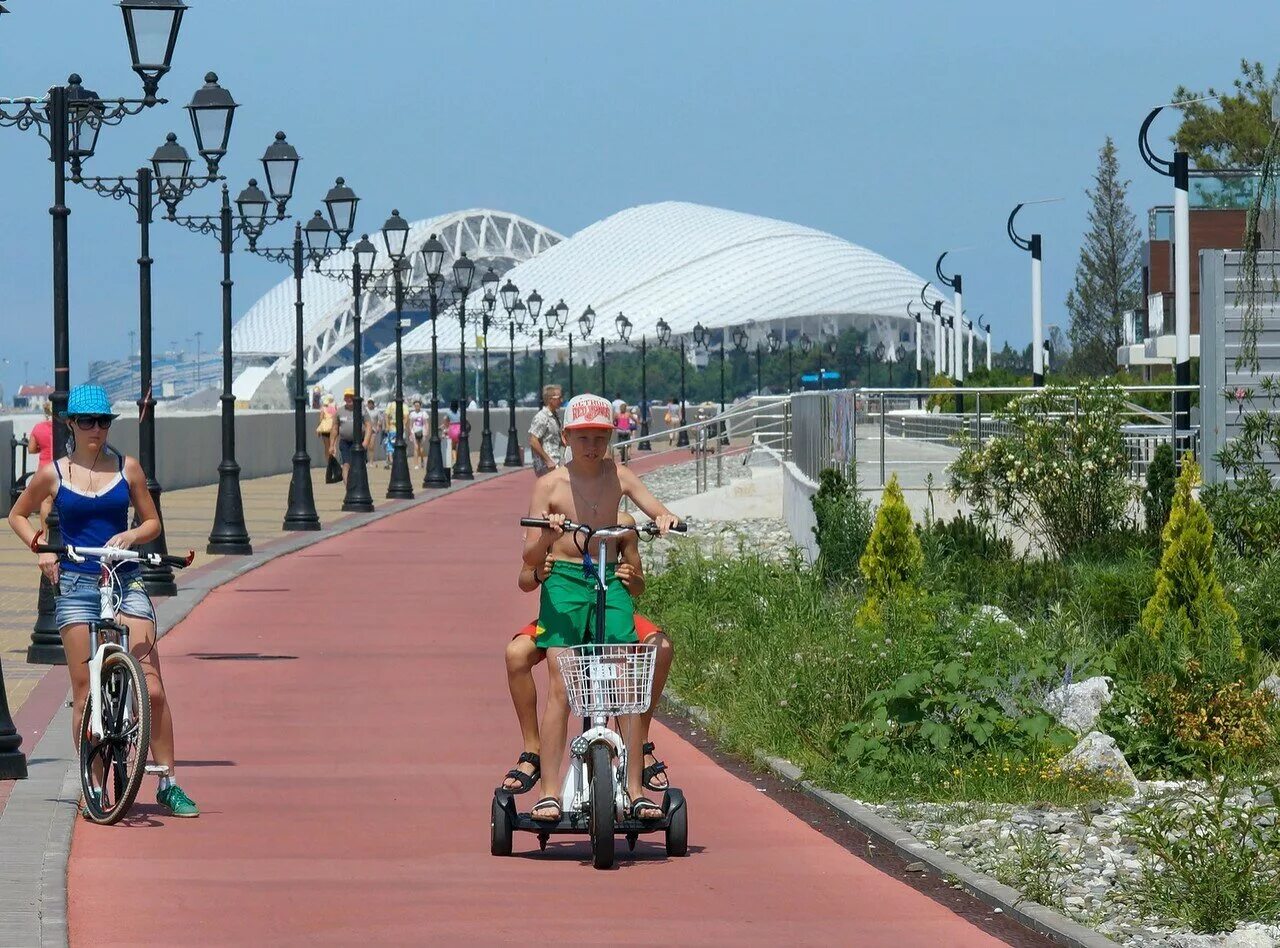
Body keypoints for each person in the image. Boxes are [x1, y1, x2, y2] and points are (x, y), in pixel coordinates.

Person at [6, 384, 199, 818]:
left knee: (151, 687)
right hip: (77, 583)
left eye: (104, 421)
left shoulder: (127, 469)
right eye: (88, 421)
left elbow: (151, 521)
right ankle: (92, 782)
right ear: (71, 424)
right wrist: (41, 550)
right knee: (83, 692)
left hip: (125, 578)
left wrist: (131, 535)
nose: (97, 430)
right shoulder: (53, 474)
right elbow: (18, 513)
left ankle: (168, 781)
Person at [522, 393, 679, 823]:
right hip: (565, 585)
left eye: (600, 438)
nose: (592, 446)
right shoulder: (549, 485)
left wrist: (664, 518)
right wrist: (545, 532)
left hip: (607, 578)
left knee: (628, 675)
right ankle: (550, 792)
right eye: (584, 437)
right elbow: (532, 561)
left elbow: (654, 507)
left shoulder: (619, 474)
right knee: (560, 677)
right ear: (568, 438)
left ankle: (633, 789)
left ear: (610, 438)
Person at [499, 510, 673, 796]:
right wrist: (538, 573)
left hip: (609, 611)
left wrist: (632, 579)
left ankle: (639, 742)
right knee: (516, 654)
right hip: (564, 618)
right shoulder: (556, 521)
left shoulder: (620, 524)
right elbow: (525, 579)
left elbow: (638, 585)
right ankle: (533, 750)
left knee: (661, 649)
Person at [26, 402, 55, 533]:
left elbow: (31, 449)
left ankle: (45, 532)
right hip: (63, 466)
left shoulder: (38, 428)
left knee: (46, 502)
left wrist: (42, 448)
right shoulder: (67, 426)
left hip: (44, 467)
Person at [526, 384, 563, 477]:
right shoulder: (542, 417)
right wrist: (548, 461)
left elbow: (558, 439)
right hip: (548, 464)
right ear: (550, 399)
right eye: (559, 398)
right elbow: (533, 440)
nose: (561, 400)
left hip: (557, 460)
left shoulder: (556, 416)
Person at [334, 387, 369, 484]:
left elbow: (368, 426)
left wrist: (366, 441)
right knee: (346, 464)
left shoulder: (362, 410)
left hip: (359, 441)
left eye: (351, 396)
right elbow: (335, 428)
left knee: (359, 464)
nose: (349, 399)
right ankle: (348, 487)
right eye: (347, 397)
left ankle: (359, 485)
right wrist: (332, 445)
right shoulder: (340, 411)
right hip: (345, 442)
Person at [408, 398, 428, 469]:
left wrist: (426, 432)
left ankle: (422, 460)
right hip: (414, 431)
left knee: (421, 448)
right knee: (416, 448)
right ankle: (416, 464)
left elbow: (426, 423)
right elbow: (410, 424)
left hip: (422, 431)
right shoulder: (412, 414)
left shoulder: (423, 413)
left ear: (420, 406)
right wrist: (410, 432)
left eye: (418, 405)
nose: (417, 407)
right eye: (415, 405)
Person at [316, 393, 337, 461]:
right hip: (333, 429)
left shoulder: (323, 408)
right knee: (333, 445)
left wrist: (318, 430)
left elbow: (321, 420)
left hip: (325, 429)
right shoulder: (335, 408)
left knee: (327, 446)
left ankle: (328, 461)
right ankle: (333, 460)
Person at [365, 398, 386, 465]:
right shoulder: (365, 410)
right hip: (365, 430)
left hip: (373, 430)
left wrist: (378, 427)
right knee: (365, 445)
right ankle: (365, 460)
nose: (370, 404)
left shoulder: (376, 411)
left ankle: (371, 461)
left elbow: (380, 420)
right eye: (369, 403)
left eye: (371, 403)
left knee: (371, 445)